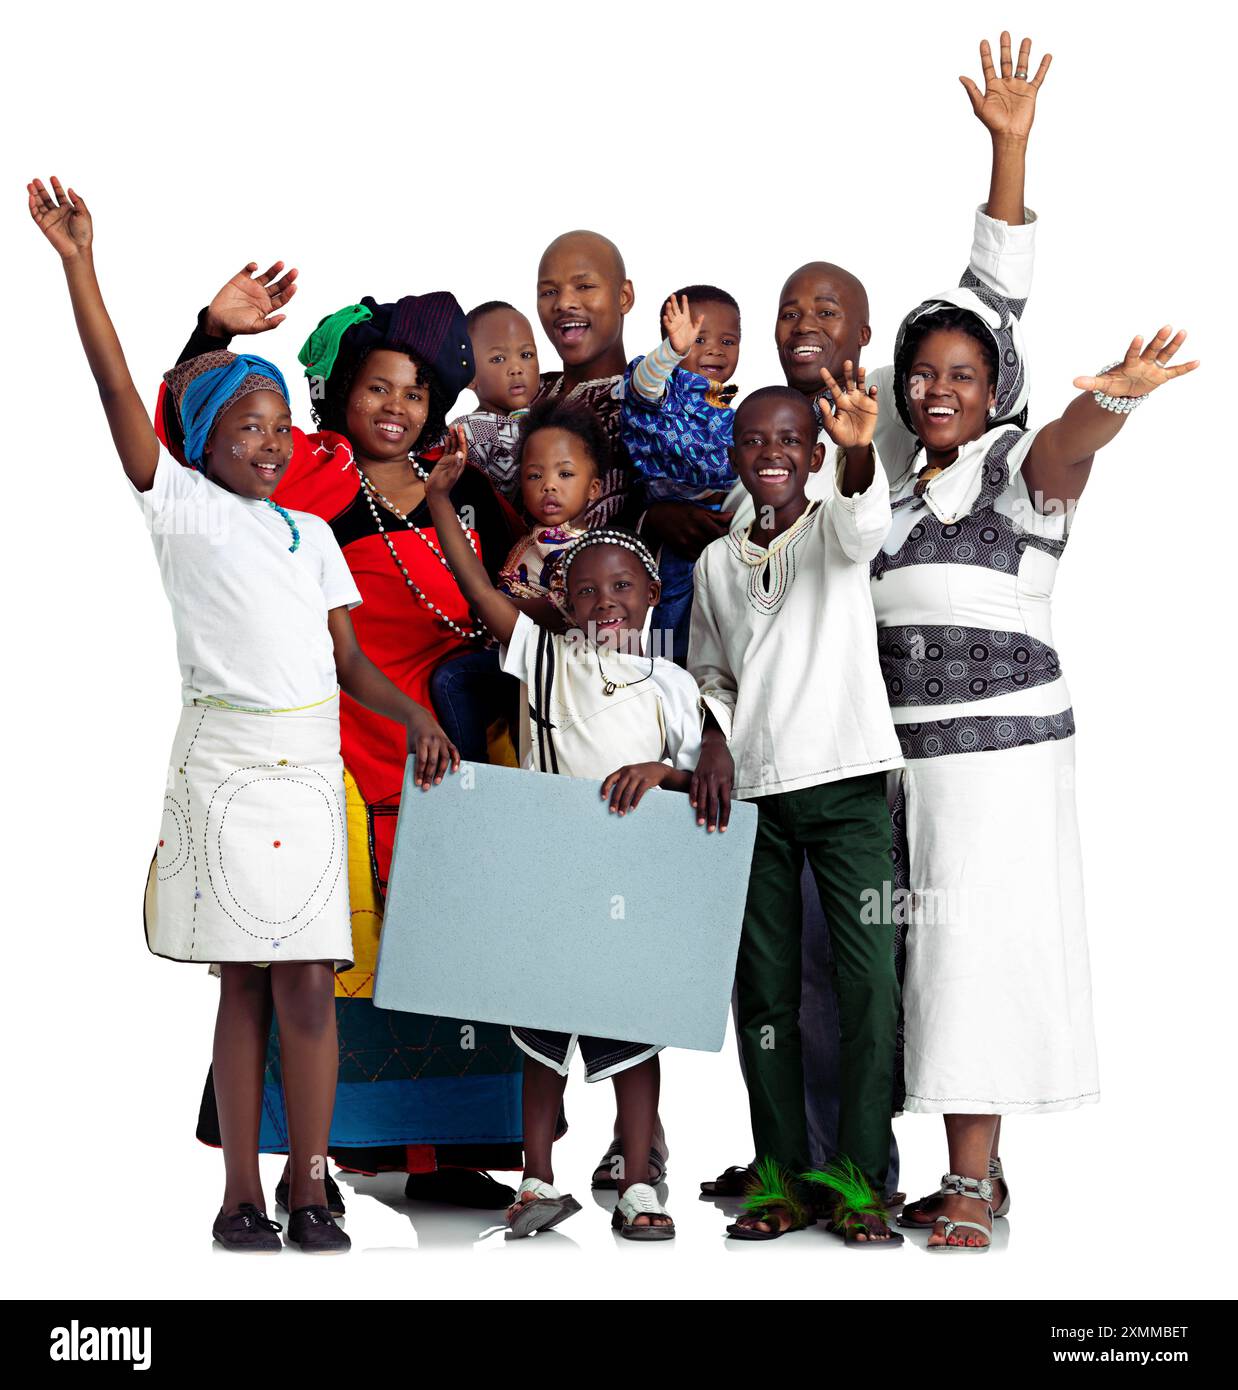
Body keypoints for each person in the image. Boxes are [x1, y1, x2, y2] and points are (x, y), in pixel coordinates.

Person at [28, 176, 460, 1253]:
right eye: (250, 425)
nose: (274, 443)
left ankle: (310, 1185)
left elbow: (350, 663)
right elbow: (122, 391)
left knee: (312, 973)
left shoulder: (310, 538)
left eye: (282, 426)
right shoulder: (176, 506)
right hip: (226, 762)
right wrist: (83, 266)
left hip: (313, 770)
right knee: (246, 978)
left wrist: (415, 721)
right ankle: (237, 1193)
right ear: (206, 438)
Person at [701, 30, 1049, 1209]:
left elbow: (986, 307)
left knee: (885, 965)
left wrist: (1006, 154)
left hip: (887, 749)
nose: (805, 319)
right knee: (777, 969)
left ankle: (870, 1166)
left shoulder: (892, 436)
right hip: (781, 750)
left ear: (865, 345)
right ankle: (784, 1158)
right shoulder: (752, 446)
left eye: (828, 309)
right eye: (789, 304)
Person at [160, 271, 528, 1211]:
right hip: (333, 751)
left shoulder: (470, 492)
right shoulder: (312, 467)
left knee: (452, 950)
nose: (396, 407)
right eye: (377, 388)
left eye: (414, 391)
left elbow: (506, 622)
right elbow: (186, 441)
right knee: (322, 964)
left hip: (451, 754)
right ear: (344, 395)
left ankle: (447, 1152)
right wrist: (208, 329)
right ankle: (316, 1162)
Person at [876, 257, 1197, 1249]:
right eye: (921, 373)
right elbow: (985, 290)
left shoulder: (1015, 474)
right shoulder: (889, 493)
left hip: (1000, 767)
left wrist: (1111, 399)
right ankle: (981, 1170)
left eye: (962, 375)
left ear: (994, 391)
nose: (937, 388)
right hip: (904, 764)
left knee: (975, 957)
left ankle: (967, 1183)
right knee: (922, 960)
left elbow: (1068, 445)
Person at [425, 428, 734, 1239]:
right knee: (538, 1038)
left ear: (648, 593)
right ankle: (534, 1179)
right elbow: (476, 590)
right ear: (563, 600)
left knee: (634, 1039)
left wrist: (661, 776)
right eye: (588, 591)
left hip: (629, 884)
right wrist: (437, 501)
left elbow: (695, 771)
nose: (606, 604)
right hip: (550, 877)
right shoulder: (543, 656)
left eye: (622, 589)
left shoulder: (670, 682)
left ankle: (639, 1183)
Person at [689, 380, 905, 1244]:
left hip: (847, 784)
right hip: (758, 793)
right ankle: (777, 1177)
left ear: (811, 456)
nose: (770, 452)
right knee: (764, 994)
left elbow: (864, 520)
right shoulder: (715, 562)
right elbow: (711, 668)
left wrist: (858, 447)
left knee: (868, 985)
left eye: (789, 439)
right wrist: (712, 735)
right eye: (753, 440)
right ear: (736, 454)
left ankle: (858, 1181)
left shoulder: (835, 529)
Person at [621, 289, 741, 663]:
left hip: (722, 515)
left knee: (718, 607)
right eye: (700, 339)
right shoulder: (667, 386)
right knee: (672, 601)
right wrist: (672, 352)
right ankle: (660, 671)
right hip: (675, 511)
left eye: (728, 341)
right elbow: (644, 387)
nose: (715, 350)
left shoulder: (727, 404)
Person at [451, 300, 540, 504]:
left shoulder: (547, 418)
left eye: (526, 355)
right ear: (469, 377)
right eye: (498, 359)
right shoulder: (467, 432)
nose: (517, 368)